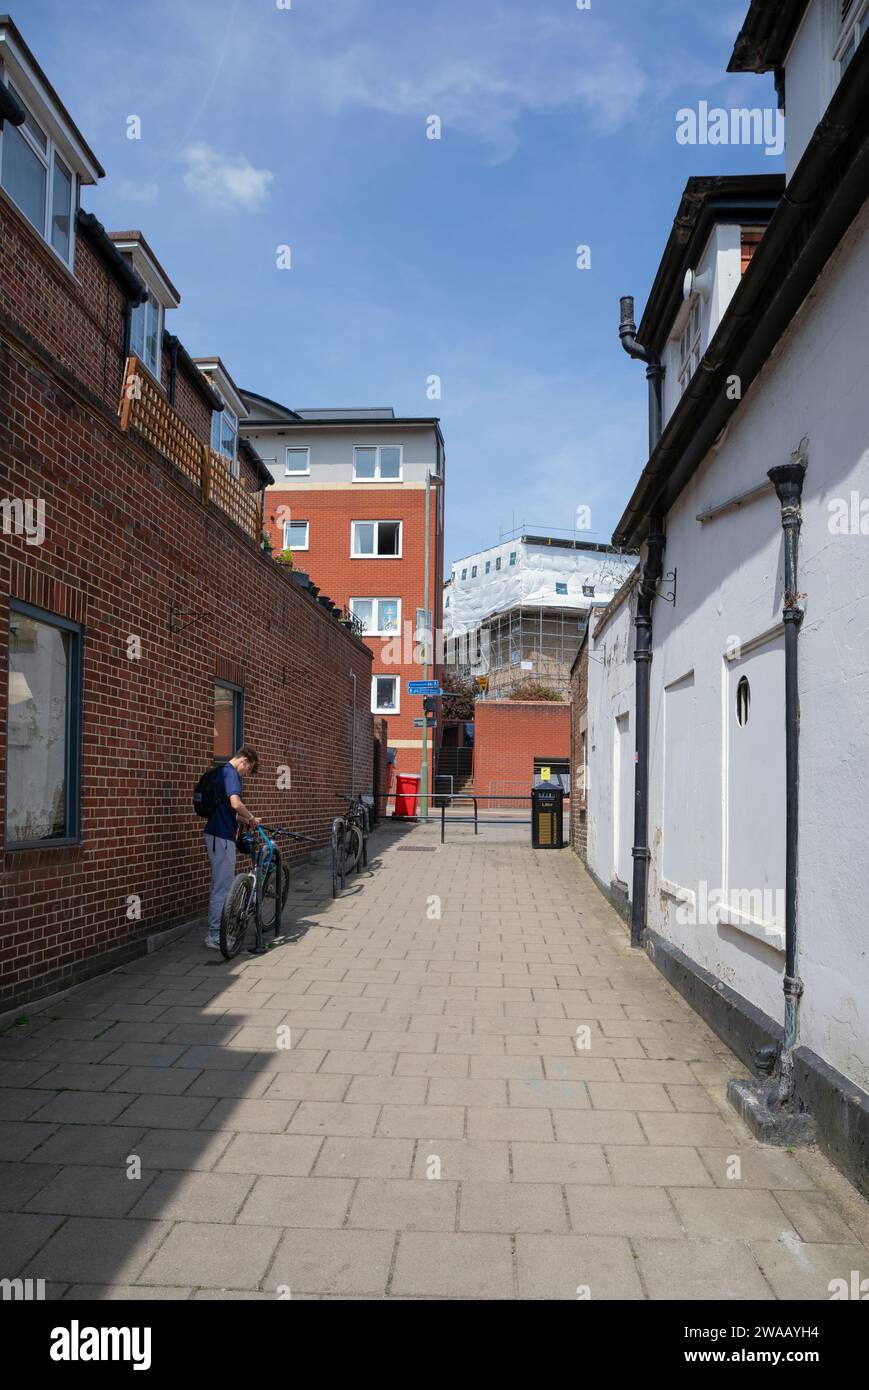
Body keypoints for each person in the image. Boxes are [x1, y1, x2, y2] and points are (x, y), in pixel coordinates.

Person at [203, 746, 260, 949]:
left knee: (222, 884)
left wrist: (246, 819)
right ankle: (214, 936)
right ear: (243, 761)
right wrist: (250, 816)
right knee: (222, 887)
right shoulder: (231, 774)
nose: (246, 774)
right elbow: (235, 804)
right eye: (248, 769)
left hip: (218, 833)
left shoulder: (222, 773)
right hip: (221, 836)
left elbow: (229, 811)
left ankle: (215, 932)